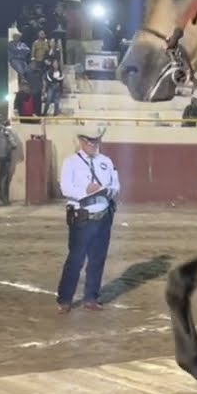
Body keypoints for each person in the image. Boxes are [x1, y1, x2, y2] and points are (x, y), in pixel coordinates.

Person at [56, 125, 121, 313]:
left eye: (95, 141)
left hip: (104, 216)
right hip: (82, 217)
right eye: (89, 141)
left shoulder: (107, 162)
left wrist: (109, 191)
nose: (93, 144)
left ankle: (91, 297)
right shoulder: (71, 162)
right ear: (82, 141)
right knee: (76, 259)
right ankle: (65, 299)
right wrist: (85, 190)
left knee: (97, 259)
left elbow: (117, 186)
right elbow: (66, 188)